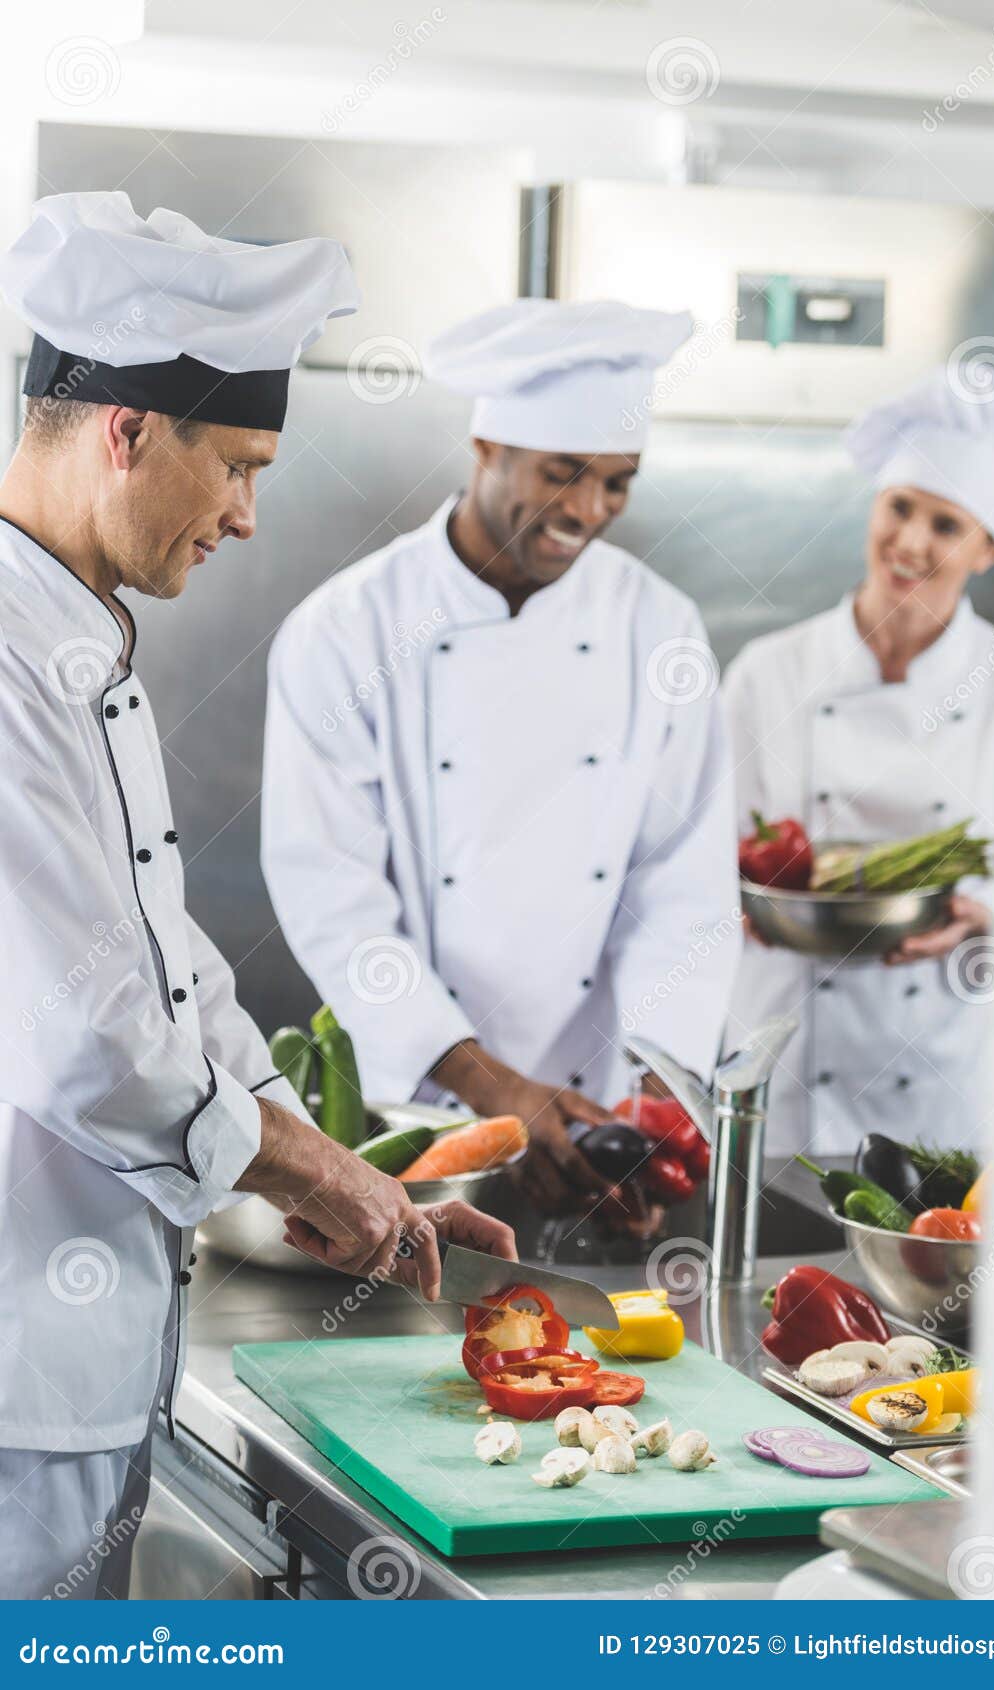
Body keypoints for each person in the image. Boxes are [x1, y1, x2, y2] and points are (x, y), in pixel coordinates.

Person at [0, 192, 514, 1601]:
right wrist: (311, 1166)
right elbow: (89, 1038)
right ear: (126, 429)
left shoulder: (76, 646)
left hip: (72, 1368)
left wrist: (366, 1188)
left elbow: (171, 977)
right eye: (237, 466)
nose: (243, 514)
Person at [261, 299, 741, 1213]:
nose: (588, 511)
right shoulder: (348, 631)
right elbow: (333, 900)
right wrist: (492, 1090)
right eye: (563, 473)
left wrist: (647, 1108)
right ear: (486, 447)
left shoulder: (659, 628)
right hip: (431, 1110)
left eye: (617, 482)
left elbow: (682, 886)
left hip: (602, 1116)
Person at [723, 367, 994, 1156]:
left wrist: (987, 911)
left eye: (947, 525)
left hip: (937, 1068)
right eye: (899, 507)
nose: (911, 542)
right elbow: (701, 857)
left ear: (987, 548)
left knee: (924, 1258)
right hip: (785, 1056)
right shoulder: (769, 670)